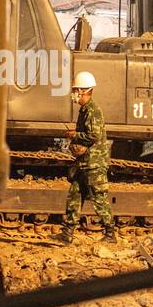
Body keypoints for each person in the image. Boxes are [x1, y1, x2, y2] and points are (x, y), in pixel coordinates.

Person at [59, 71, 117, 244]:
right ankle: (67, 233)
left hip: (94, 164)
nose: (74, 93)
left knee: (99, 199)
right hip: (83, 163)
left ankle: (110, 234)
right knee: (74, 196)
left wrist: (73, 135)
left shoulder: (93, 110)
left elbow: (93, 135)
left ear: (84, 91)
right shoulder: (84, 110)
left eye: (76, 89)